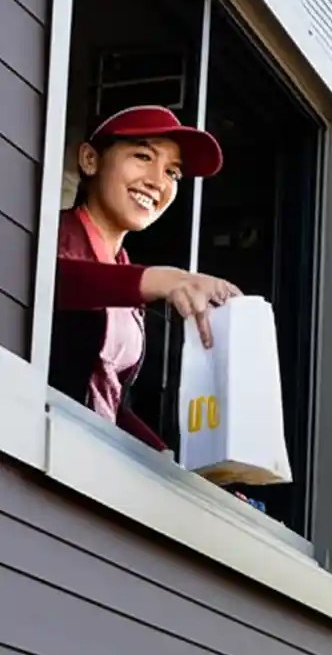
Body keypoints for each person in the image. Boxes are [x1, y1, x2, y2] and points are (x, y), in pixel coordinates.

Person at [50, 105, 242, 451]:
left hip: (89, 458)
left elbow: (111, 400)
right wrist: (161, 280)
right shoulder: (53, 233)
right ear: (90, 160)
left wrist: (166, 461)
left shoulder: (124, 269)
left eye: (173, 173)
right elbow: (52, 280)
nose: (157, 182)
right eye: (143, 155)